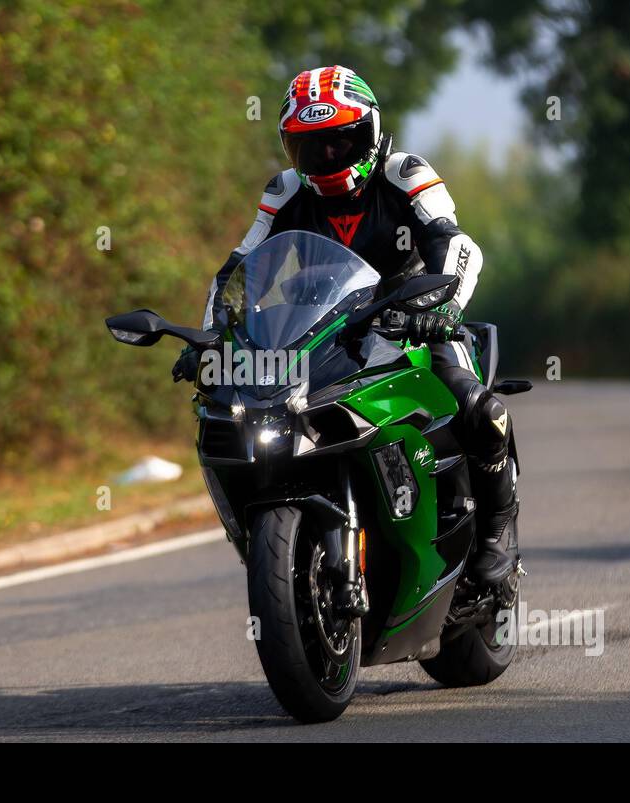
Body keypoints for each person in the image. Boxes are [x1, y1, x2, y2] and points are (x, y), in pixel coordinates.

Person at [173, 65, 518, 591]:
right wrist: (211, 337)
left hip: (412, 319)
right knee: (249, 412)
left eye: (341, 140)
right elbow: (236, 272)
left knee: (477, 406)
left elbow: (458, 245)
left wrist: (440, 310)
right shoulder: (285, 191)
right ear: (292, 150)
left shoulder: (405, 173)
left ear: (372, 131)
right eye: (314, 147)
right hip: (320, 330)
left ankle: (496, 533)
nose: (329, 156)